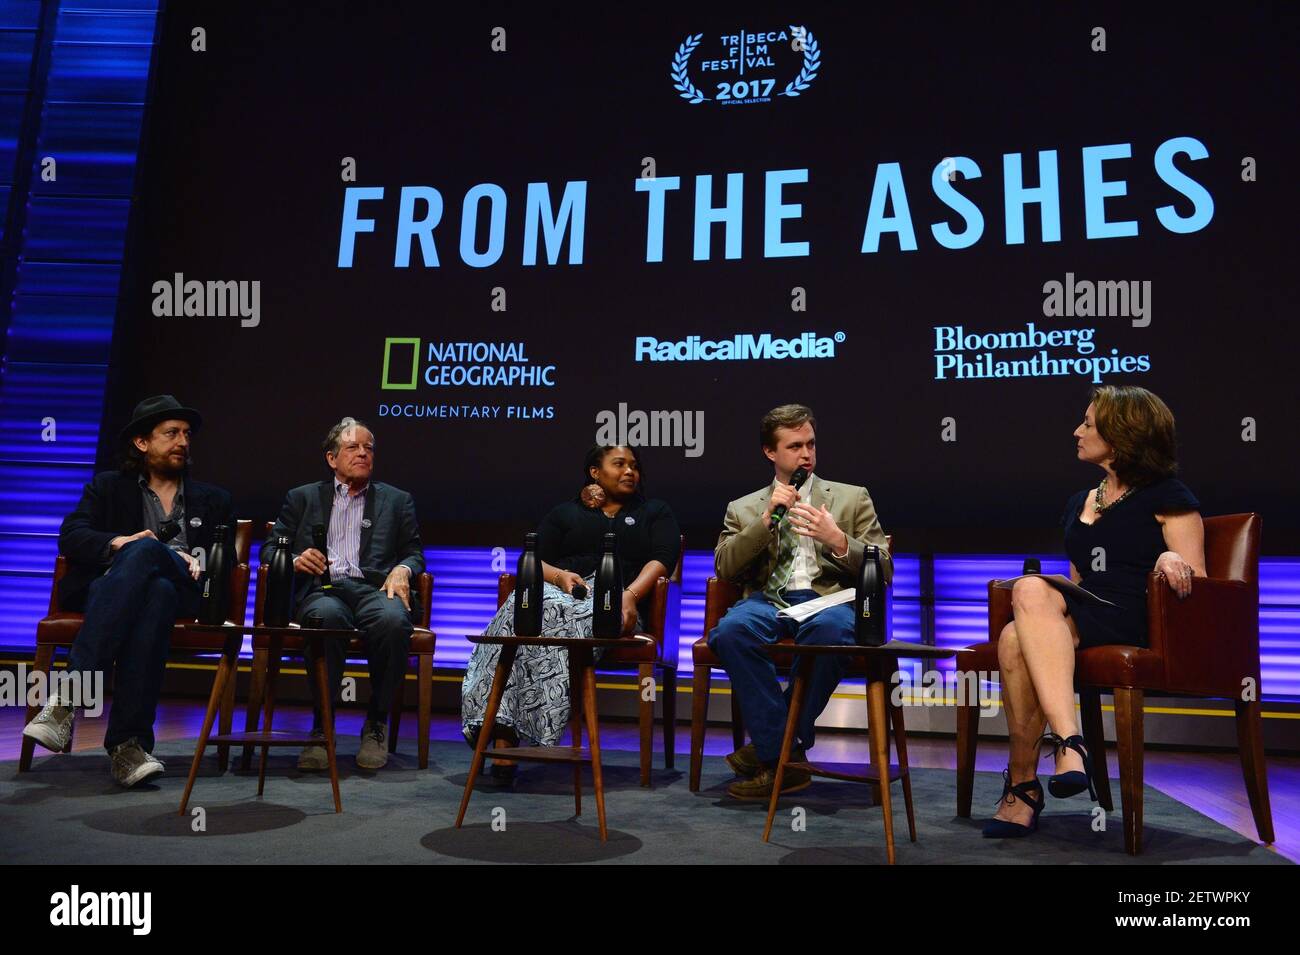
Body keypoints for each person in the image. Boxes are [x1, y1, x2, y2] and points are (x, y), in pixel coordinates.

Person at [984, 385, 1204, 837]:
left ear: (1122, 435)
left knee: (1024, 605)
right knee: (1016, 627)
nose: (1076, 431)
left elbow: (1198, 580)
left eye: (1088, 423)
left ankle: (1040, 771)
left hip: (1136, 613)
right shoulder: (1078, 501)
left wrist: (1169, 558)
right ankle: (1049, 761)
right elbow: (1079, 579)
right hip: (1090, 608)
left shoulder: (1168, 494)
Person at [23, 395, 233, 787]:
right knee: (155, 591)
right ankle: (129, 747)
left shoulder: (215, 500)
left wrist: (185, 557)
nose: (183, 442)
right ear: (141, 443)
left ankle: (67, 700)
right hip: (139, 592)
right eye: (171, 433)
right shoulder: (108, 487)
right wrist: (120, 541)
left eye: (187, 434)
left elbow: (223, 563)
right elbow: (72, 536)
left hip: (190, 589)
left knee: (151, 555)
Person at [461, 444, 680, 780]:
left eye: (634, 466)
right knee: (521, 611)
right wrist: (561, 576)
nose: (629, 472)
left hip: (618, 600)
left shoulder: (654, 511)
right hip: (561, 592)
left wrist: (630, 594)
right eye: (619, 464)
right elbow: (532, 561)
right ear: (595, 472)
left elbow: (664, 557)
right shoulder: (566, 513)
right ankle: (501, 730)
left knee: (552, 617)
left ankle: (519, 732)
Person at [708, 404, 892, 800]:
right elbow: (724, 567)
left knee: (833, 631)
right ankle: (786, 751)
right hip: (768, 600)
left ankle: (773, 749)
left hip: (829, 600)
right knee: (730, 632)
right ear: (770, 453)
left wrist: (838, 540)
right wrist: (764, 522)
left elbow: (885, 567)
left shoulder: (851, 497)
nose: (806, 454)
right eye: (794, 446)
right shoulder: (743, 507)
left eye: (810, 444)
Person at [263, 417, 423, 771]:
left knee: (395, 621)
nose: (363, 453)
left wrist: (403, 568)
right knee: (326, 619)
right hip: (324, 588)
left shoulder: (397, 501)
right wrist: (294, 558)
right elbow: (271, 548)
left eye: (369, 448)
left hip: (373, 588)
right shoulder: (302, 497)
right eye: (353, 447)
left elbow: (414, 552)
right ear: (332, 458)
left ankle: (376, 723)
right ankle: (322, 727)